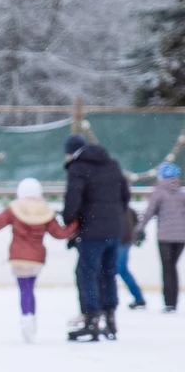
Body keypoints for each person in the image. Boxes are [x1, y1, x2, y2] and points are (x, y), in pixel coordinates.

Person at [0, 178, 77, 342]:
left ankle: (27, 319)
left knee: (24, 289)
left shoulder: (14, 209)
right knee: (30, 288)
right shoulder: (46, 211)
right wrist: (77, 223)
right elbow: (60, 234)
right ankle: (31, 319)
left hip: (18, 257)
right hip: (37, 258)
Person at [62, 133, 129, 340]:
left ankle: (91, 318)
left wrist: (69, 220)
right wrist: (114, 216)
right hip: (114, 229)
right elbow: (125, 196)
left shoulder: (78, 167)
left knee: (86, 273)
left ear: (70, 153)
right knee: (108, 273)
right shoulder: (112, 164)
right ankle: (110, 319)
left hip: (92, 231)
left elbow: (73, 199)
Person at [135, 161, 185, 313]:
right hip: (181, 237)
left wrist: (138, 229)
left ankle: (169, 302)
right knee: (173, 268)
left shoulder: (159, 192)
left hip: (164, 237)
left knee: (167, 268)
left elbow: (149, 213)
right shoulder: (181, 193)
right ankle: (173, 301)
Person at [118, 206, 147, 310]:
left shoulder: (116, 207)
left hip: (120, 241)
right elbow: (137, 224)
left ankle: (139, 299)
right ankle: (139, 298)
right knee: (121, 270)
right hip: (126, 240)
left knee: (118, 270)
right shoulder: (128, 208)